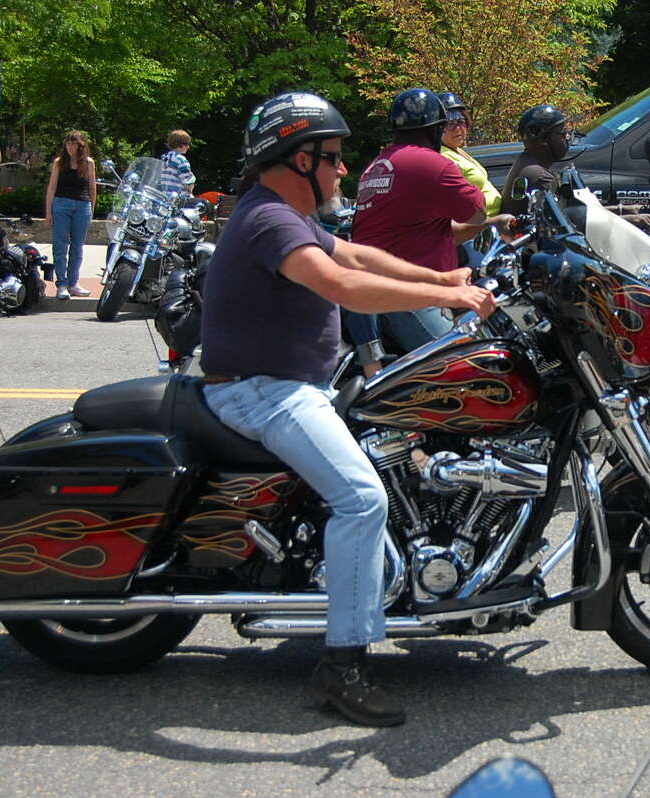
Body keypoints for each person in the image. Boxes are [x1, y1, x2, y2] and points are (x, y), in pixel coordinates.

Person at [199, 91, 494, 727]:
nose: (342, 170)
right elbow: (340, 284)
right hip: (265, 390)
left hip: (283, 384)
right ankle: (344, 666)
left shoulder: (284, 215)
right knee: (363, 497)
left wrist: (443, 283)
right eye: (331, 158)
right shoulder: (270, 221)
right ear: (297, 160)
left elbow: (356, 255)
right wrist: (450, 296)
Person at [349, 87, 510, 376]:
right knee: (477, 372)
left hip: (383, 291)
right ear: (435, 129)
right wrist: (482, 215)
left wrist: (487, 227)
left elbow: (428, 230)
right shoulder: (429, 163)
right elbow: (476, 210)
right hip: (412, 295)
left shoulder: (378, 165)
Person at [501, 104, 650, 229]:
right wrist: (631, 219)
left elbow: (569, 213)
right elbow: (565, 224)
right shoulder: (539, 177)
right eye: (562, 133)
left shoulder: (527, 162)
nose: (567, 137)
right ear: (543, 141)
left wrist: (623, 209)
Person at [43, 130, 97, 300]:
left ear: (80, 146)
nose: (70, 147)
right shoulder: (59, 163)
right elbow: (51, 188)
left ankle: (74, 283)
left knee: (77, 247)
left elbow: (92, 187)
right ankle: (62, 284)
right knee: (60, 246)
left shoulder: (88, 163)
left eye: (73, 144)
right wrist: (48, 211)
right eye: (67, 143)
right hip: (61, 204)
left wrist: (91, 209)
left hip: (82, 205)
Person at [436, 92, 502, 216]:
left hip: (492, 223)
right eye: (450, 122)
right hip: (477, 227)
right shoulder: (442, 156)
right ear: (438, 127)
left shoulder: (457, 150)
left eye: (461, 121)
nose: (458, 128)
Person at [159, 129, 197, 195]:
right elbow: (189, 181)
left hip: (164, 197)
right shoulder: (181, 160)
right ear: (180, 144)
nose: (188, 147)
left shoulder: (164, 157)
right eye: (187, 144)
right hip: (177, 200)